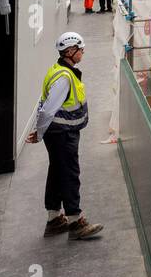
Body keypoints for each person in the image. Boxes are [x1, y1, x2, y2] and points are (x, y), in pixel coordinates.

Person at [26, 32, 103, 240]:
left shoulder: (60, 70)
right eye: (80, 49)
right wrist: (39, 133)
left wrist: (41, 131)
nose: (83, 52)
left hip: (58, 132)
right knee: (69, 173)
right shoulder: (64, 78)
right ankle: (75, 221)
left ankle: (54, 219)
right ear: (70, 52)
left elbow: (45, 106)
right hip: (61, 134)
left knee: (57, 171)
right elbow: (48, 110)